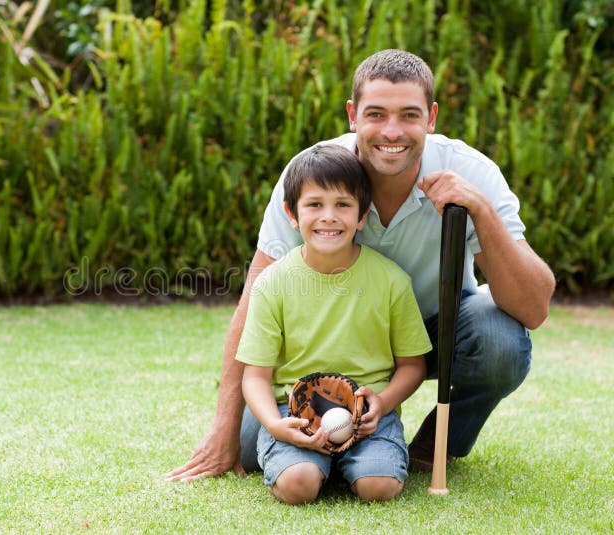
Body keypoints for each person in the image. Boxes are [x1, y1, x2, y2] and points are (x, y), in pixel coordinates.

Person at [166, 49, 555, 483]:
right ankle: (344, 451)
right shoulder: (312, 174)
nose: (392, 131)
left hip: (429, 336)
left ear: (431, 117)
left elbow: (534, 308)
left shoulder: (469, 172)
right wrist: (221, 433)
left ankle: (434, 444)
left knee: (499, 337)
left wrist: (480, 210)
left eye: (409, 114)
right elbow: (256, 294)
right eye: (376, 114)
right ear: (353, 115)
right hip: (320, 355)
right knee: (248, 449)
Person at [236, 143, 431, 504]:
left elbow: (413, 366)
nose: (329, 216)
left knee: (380, 488)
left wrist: (384, 403)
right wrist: (277, 426)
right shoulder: (272, 283)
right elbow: (255, 376)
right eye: (314, 205)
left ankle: (358, 466)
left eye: (342, 205)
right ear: (291, 214)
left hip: (368, 416)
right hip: (292, 414)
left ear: (362, 215)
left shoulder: (391, 281)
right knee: (298, 486)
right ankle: (309, 464)